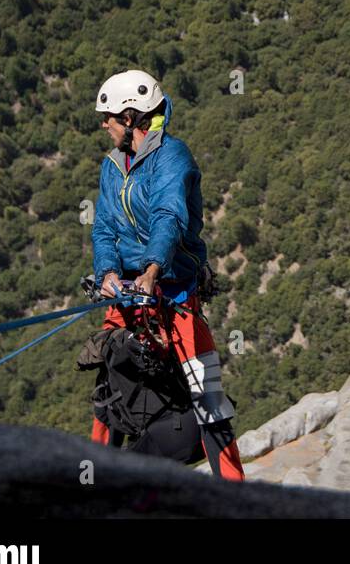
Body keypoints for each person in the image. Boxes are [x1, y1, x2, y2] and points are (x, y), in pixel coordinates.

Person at [88, 69, 245, 480]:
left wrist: (153, 269)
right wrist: (106, 271)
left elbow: (169, 216)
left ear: (130, 116)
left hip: (174, 295)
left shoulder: (173, 158)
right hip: (127, 292)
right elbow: (104, 227)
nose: (104, 125)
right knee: (109, 390)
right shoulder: (113, 166)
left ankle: (238, 496)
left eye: (109, 117)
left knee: (208, 401)